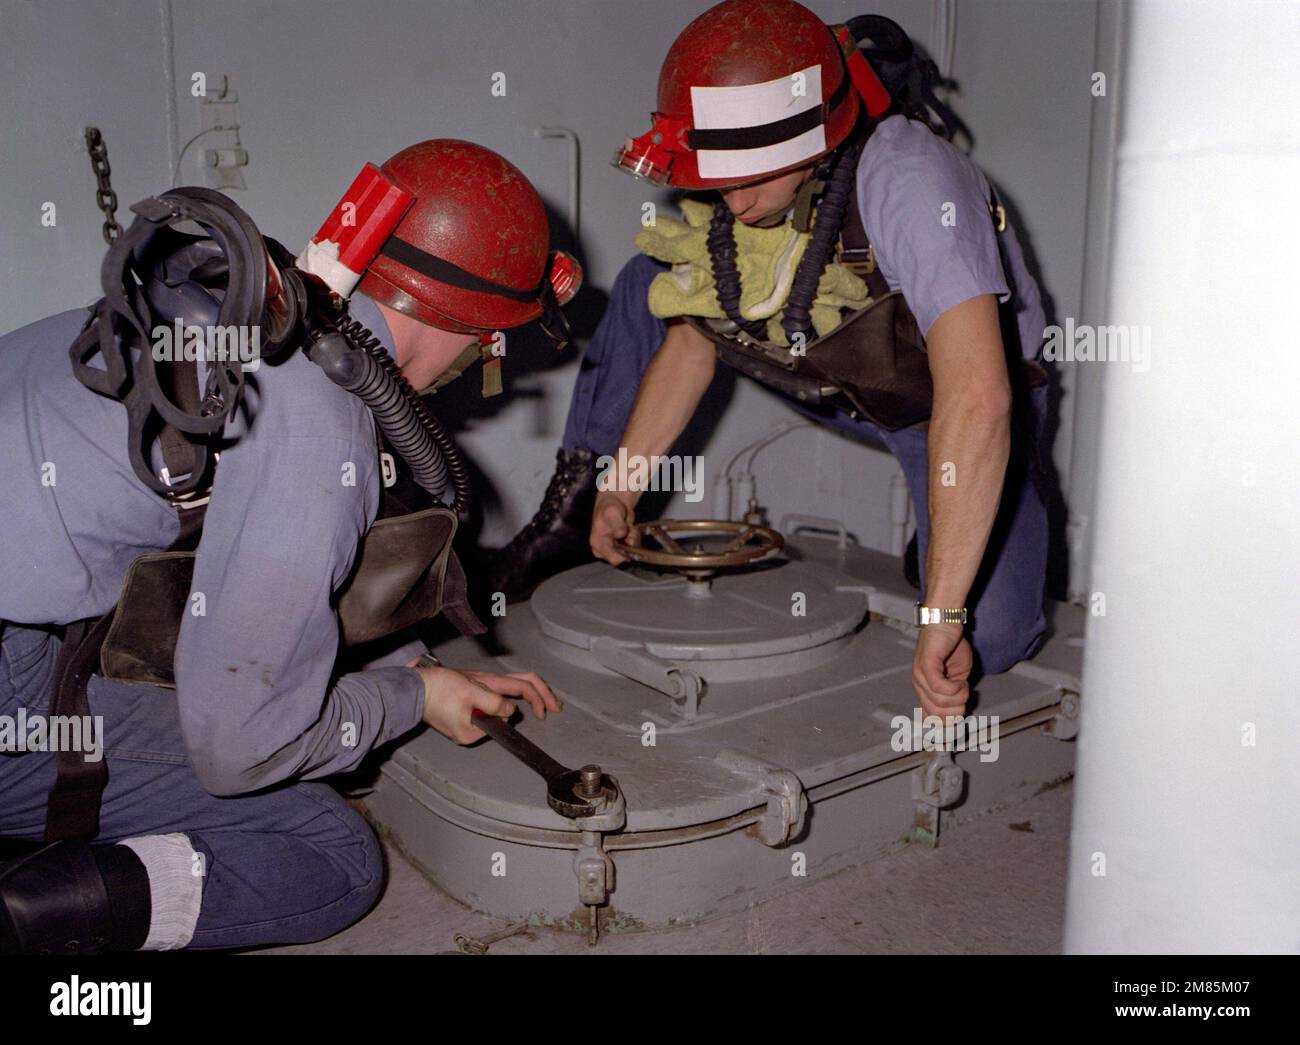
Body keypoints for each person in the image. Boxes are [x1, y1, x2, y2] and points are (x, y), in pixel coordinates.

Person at [0, 140, 569, 954]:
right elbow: (243, 748)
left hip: (21, 626)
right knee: (328, 849)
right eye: (494, 339)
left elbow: (242, 548)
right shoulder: (319, 417)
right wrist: (410, 702)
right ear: (470, 323)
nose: (490, 354)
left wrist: (412, 666)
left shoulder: (229, 302)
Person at [487, 1, 1052, 722]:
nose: (733, 198)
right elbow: (695, 334)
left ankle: (949, 526)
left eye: (750, 178)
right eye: (717, 178)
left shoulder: (912, 183)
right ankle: (567, 512)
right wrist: (622, 488)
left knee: (992, 637)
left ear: (818, 138)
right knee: (645, 284)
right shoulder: (749, 183)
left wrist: (941, 614)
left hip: (941, 405)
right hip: (829, 372)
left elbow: (978, 399)